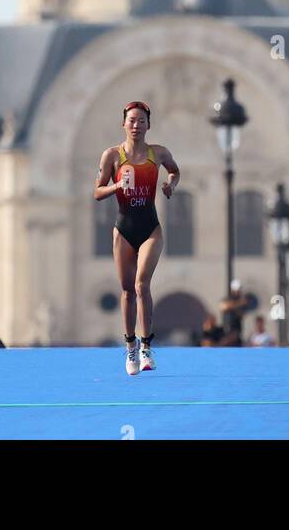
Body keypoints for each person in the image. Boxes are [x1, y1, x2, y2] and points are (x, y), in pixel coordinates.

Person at [94, 100, 180, 375]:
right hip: (124, 229)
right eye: (132, 120)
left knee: (142, 284)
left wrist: (170, 184)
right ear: (124, 124)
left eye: (141, 121)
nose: (136, 125)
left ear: (148, 125)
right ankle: (130, 345)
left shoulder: (159, 153)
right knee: (127, 290)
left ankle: (146, 347)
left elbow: (175, 171)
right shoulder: (112, 156)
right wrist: (117, 185)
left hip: (150, 228)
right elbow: (97, 192)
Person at [218, 279, 247, 346]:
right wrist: (239, 304)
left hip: (237, 332)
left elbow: (242, 314)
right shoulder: (228, 299)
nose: (239, 292)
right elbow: (223, 306)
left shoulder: (241, 302)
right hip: (228, 331)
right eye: (237, 290)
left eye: (239, 290)